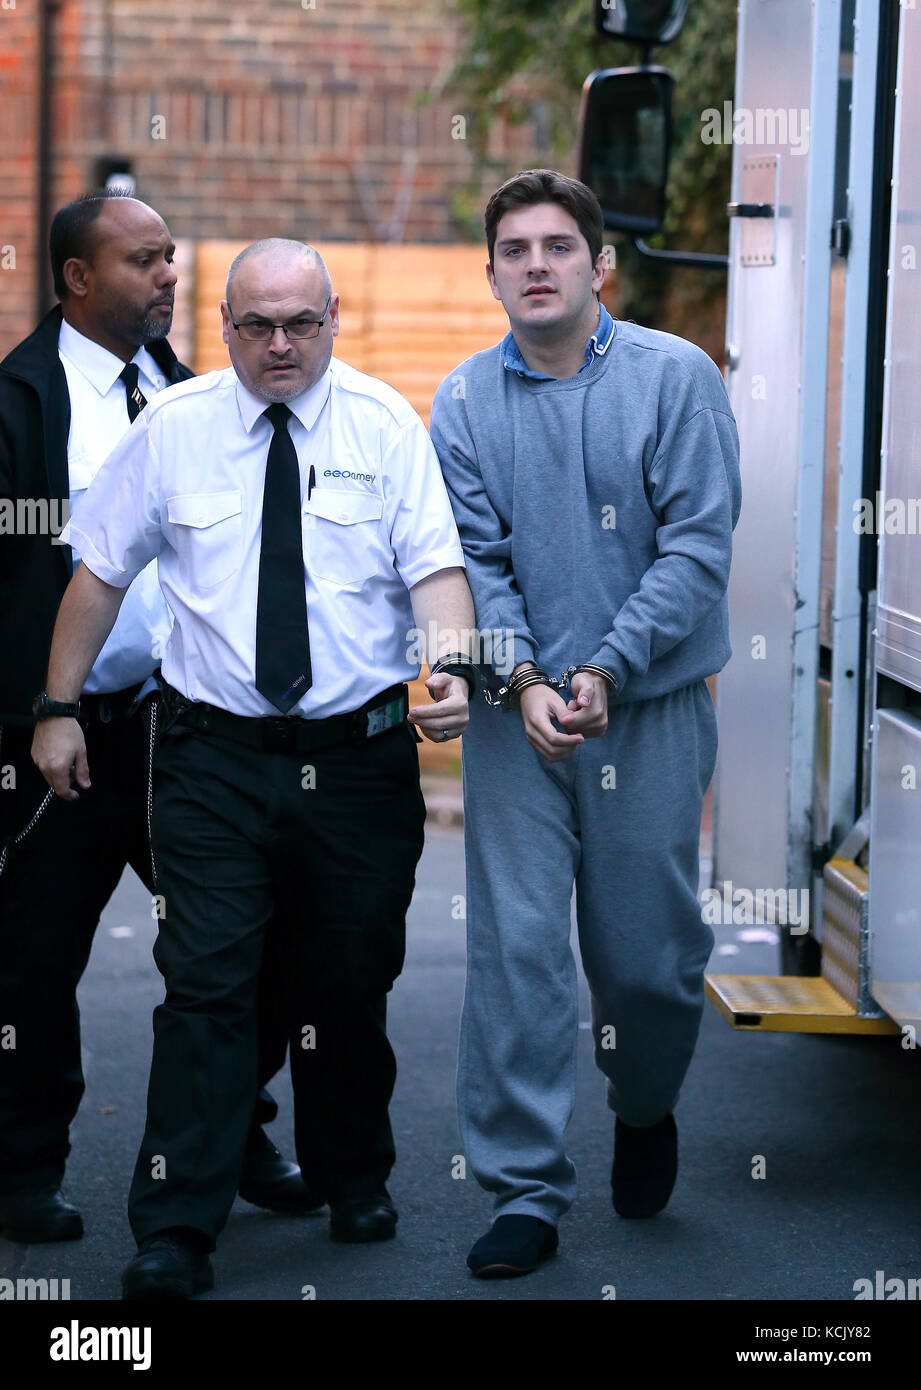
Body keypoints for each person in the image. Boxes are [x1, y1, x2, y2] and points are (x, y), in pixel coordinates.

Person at [33, 237, 476, 1299]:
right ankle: (177, 1224)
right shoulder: (175, 429)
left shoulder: (382, 423)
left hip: (358, 758)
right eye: (256, 325)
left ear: (334, 319)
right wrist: (57, 708)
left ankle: (350, 1170)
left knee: (349, 969)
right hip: (212, 758)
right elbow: (99, 572)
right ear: (220, 325)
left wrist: (452, 667)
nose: (280, 346)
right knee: (207, 986)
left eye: (302, 323)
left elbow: (437, 568)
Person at [430, 169, 742, 1278]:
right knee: (516, 954)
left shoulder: (674, 379)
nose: (538, 266)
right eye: (515, 250)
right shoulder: (463, 401)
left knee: (648, 962)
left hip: (645, 713)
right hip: (519, 728)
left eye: (559, 246)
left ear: (599, 265)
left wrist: (608, 665)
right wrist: (518, 681)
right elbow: (478, 560)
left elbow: (698, 548)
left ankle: (645, 1104)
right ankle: (523, 1188)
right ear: (492, 274)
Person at [0, 193, 309, 1246]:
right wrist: (38, 712)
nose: (170, 276)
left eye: (172, 258)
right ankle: (24, 1165)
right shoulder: (17, 404)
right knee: (34, 963)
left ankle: (234, 1132)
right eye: (144, 260)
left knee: (246, 946)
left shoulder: (198, 396)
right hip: (59, 739)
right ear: (78, 279)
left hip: (185, 731)